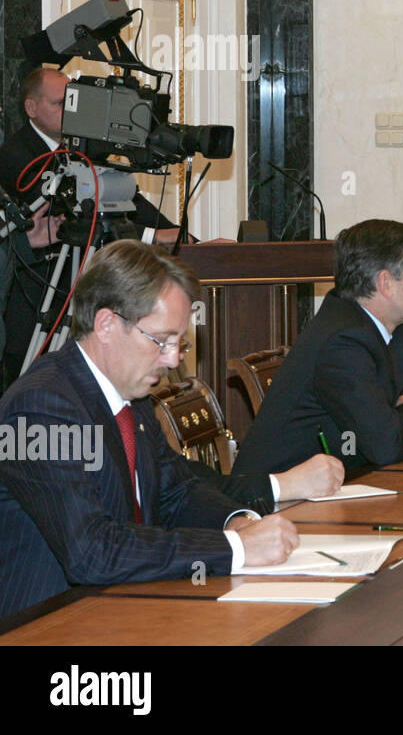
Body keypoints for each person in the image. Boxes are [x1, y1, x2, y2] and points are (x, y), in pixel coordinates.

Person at [0, 239, 298, 618]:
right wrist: (235, 549)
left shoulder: (133, 398)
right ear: (106, 324)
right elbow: (91, 551)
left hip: (123, 606)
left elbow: (176, 491)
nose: (173, 359)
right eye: (161, 340)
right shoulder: (40, 409)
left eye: (180, 343)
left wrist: (236, 520)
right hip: (49, 625)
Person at [0, 68, 179, 382]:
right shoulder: (15, 156)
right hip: (35, 308)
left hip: (78, 297)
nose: (70, 113)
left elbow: (125, 199)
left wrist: (176, 233)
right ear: (32, 108)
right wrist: (154, 237)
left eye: (73, 104)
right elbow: (72, 216)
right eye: (59, 104)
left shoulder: (81, 148)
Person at [234, 220, 403, 475]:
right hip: (282, 502)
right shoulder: (343, 341)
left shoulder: (392, 327)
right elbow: (386, 445)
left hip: (346, 484)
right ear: (386, 283)